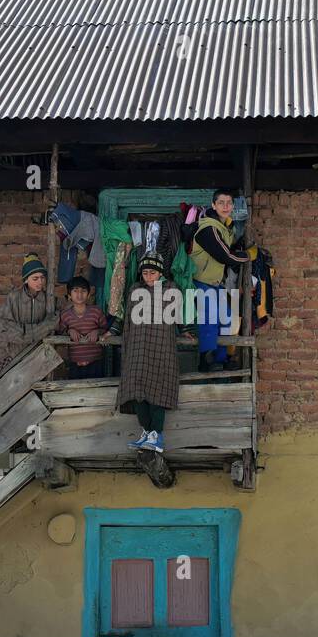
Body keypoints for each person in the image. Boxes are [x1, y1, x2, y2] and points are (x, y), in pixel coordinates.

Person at [0, 252, 58, 400]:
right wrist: (38, 330)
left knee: (20, 394)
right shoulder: (14, 298)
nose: (40, 281)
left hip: (33, 354)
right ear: (26, 280)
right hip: (7, 350)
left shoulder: (49, 301)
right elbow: (6, 328)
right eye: (35, 278)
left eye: (42, 277)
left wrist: (37, 330)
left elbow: (54, 324)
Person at [116, 252, 179, 453]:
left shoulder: (171, 289)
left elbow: (179, 315)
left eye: (152, 273)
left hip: (161, 348)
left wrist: (188, 330)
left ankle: (156, 435)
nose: (148, 277)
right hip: (137, 347)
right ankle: (145, 431)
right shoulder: (135, 289)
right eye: (145, 273)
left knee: (157, 389)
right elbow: (127, 318)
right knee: (137, 390)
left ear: (160, 273)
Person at [189, 188, 249, 371]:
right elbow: (225, 256)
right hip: (200, 280)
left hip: (216, 283)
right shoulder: (207, 228)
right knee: (211, 316)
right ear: (214, 205)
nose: (225, 206)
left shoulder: (225, 228)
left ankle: (221, 358)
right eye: (221, 202)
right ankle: (205, 360)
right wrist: (247, 256)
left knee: (228, 318)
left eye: (229, 203)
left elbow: (229, 249)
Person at [57, 275, 108, 380]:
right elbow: (60, 334)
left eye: (83, 291)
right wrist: (69, 331)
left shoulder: (96, 312)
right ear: (69, 295)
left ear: (88, 295)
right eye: (75, 291)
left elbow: (106, 330)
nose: (79, 294)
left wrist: (97, 332)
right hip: (75, 364)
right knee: (76, 393)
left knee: (96, 393)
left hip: (96, 362)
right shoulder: (65, 315)